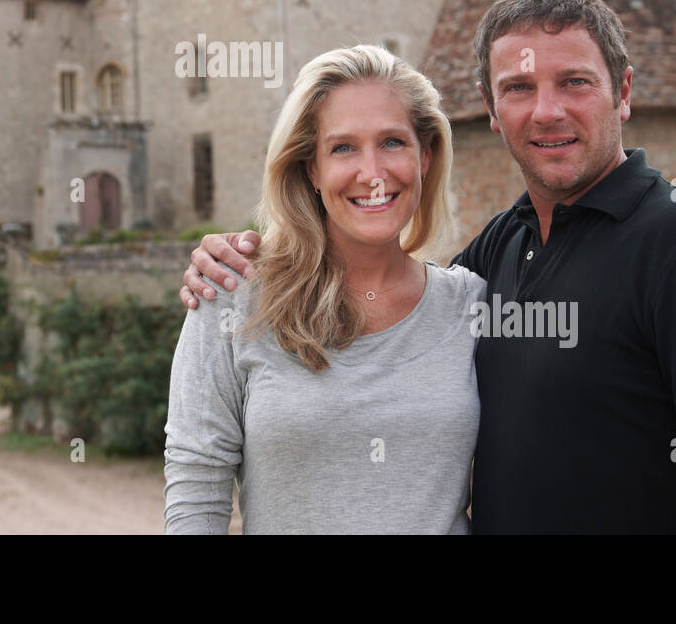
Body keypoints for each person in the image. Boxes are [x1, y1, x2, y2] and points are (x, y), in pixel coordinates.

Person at [181, 0, 676, 534]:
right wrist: (231, 257)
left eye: (575, 82)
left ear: (624, 91)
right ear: (493, 111)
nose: (547, 110)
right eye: (519, 88)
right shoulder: (494, 259)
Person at [163, 45, 486, 534]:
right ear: (310, 168)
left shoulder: (471, 306)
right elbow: (197, 485)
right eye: (343, 148)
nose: (372, 174)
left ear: (427, 155)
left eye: (393, 142)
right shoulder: (233, 292)